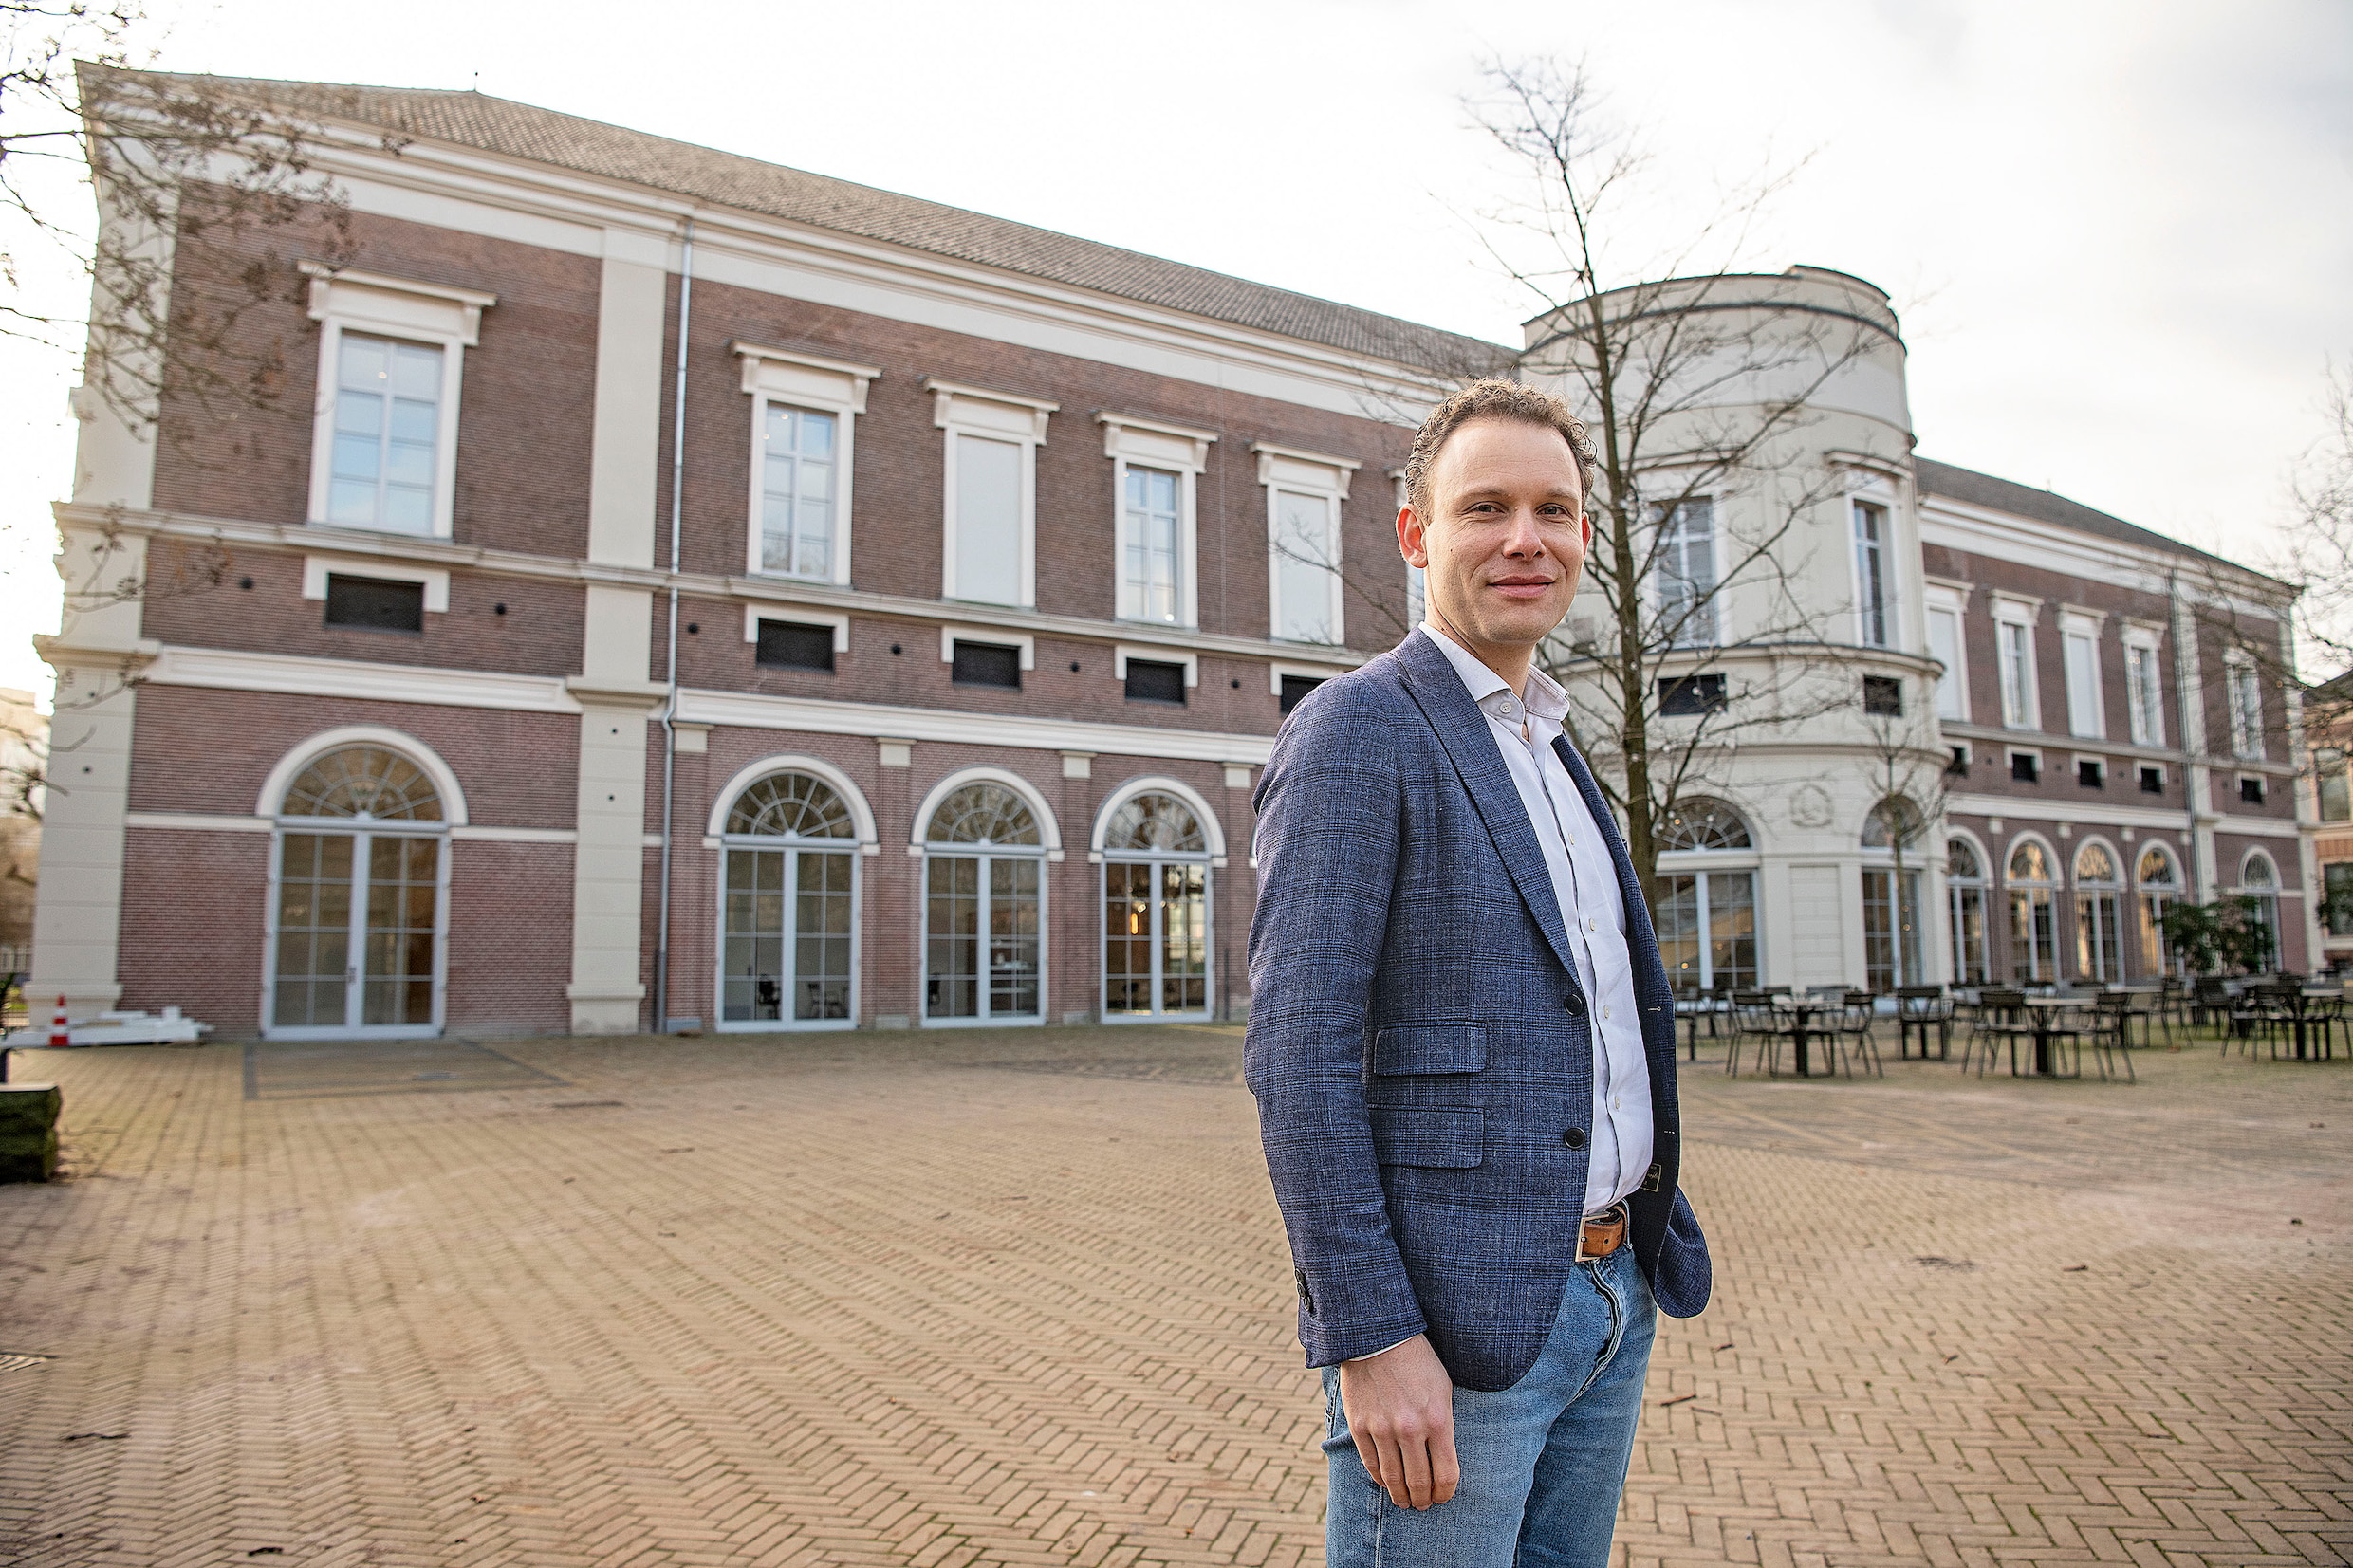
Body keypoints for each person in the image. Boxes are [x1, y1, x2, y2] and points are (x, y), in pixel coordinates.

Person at [1244, 378, 1711, 1568]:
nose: (1523, 539)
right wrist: (1370, 1335)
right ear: (1416, 534)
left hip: (1612, 1301)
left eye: (1553, 512)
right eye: (1484, 507)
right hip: (1449, 1333)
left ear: (1585, 544)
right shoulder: (1359, 728)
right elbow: (1297, 1058)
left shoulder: (1559, 748)